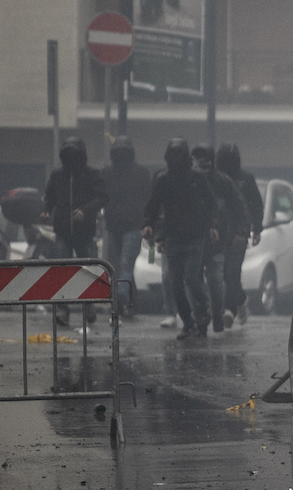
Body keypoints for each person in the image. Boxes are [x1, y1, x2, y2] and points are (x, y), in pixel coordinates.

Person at [142, 139, 218, 340]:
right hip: (173, 237)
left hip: (194, 236)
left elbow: (211, 203)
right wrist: (148, 225)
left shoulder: (197, 178)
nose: (176, 159)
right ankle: (189, 323)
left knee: (192, 278)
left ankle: (204, 307)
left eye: (179, 155)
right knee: (175, 283)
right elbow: (153, 205)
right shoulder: (163, 179)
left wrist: (211, 225)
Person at [43, 137, 108, 326]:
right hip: (62, 230)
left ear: (81, 157)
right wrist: (46, 210)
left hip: (85, 231)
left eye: (74, 156)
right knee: (62, 270)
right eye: (67, 156)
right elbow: (50, 196)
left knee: (87, 270)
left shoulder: (91, 174)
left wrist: (86, 211)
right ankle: (63, 309)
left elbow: (103, 196)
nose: (71, 160)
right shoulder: (57, 175)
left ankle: (88, 306)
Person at [191, 144, 248, 334]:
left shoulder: (224, 182)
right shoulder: (186, 180)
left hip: (218, 240)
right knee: (193, 280)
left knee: (217, 279)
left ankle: (217, 316)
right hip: (192, 239)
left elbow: (240, 206)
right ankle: (200, 316)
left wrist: (241, 230)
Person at [101, 136, 152, 318]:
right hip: (116, 226)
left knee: (123, 264)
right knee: (120, 266)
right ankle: (128, 301)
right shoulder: (109, 173)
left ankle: (121, 297)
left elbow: (149, 200)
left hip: (130, 226)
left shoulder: (140, 174)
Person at [215, 143, 264, 327]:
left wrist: (256, 229)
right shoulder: (215, 179)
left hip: (239, 231)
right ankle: (241, 300)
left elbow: (256, 205)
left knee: (232, 271)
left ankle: (229, 310)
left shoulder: (246, 179)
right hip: (218, 231)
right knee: (225, 274)